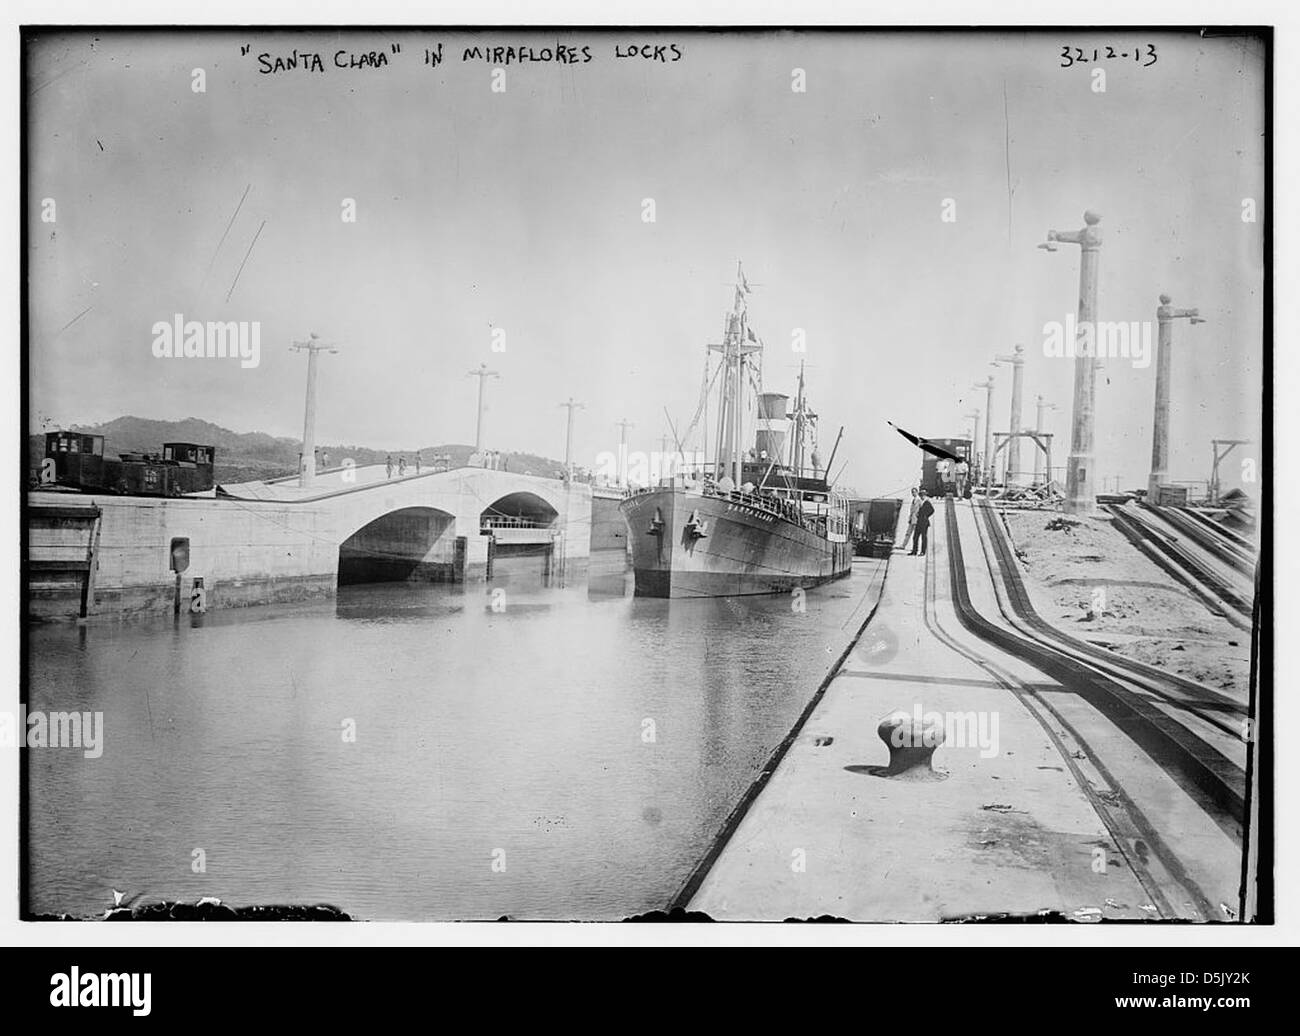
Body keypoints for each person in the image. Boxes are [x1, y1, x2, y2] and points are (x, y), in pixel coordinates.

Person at [909, 489, 935, 556]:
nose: (922, 496)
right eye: (921, 495)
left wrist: (926, 516)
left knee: (924, 537)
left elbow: (932, 510)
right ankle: (914, 551)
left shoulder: (927, 502)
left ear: (925, 496)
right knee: (915, 537)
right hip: (918, 522)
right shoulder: (919, 502)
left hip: (924, 522)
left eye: (923, 495)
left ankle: (923, 552)